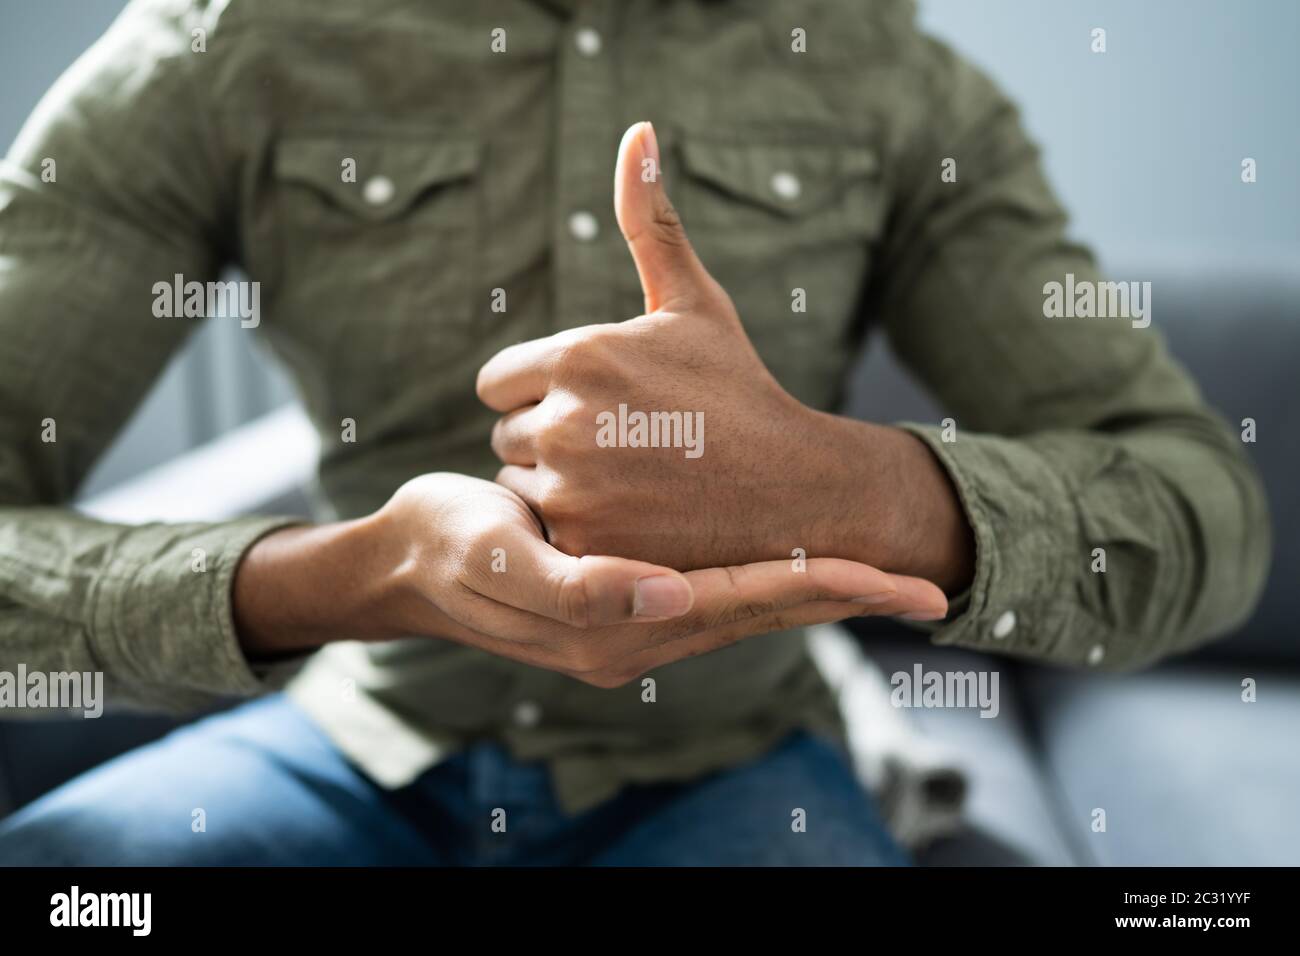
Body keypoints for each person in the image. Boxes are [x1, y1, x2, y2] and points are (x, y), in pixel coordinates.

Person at [0, 0, 1269, 865]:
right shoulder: (231, 42)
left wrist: (846, 488)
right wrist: (355, 574)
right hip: (358, 740)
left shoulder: (880, 72)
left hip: (736, 764)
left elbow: (1199, 509)